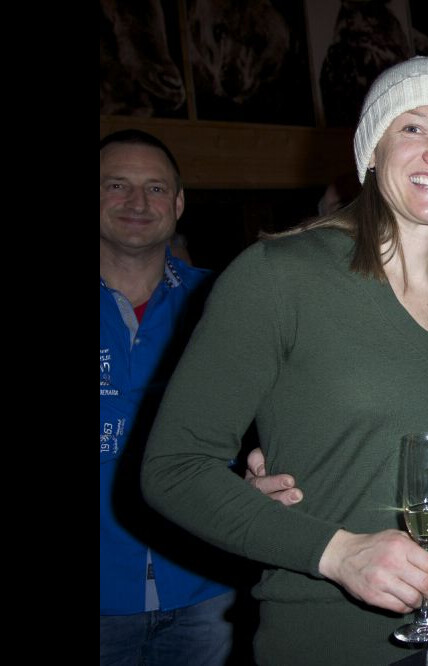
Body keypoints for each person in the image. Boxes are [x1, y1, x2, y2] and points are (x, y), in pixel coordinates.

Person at [141, 57, 428, 665]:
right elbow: (173, 468)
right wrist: (337, 551)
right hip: (339, 645)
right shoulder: (277, 276)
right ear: (371, 150)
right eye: (413, 127)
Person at [100, 129, 296, 665]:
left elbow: (273, 418)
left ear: (180, 203)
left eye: (156, 189)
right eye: (117, 185)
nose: (138, 203)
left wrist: (261, 467)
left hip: (205, 587)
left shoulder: (225, 298)